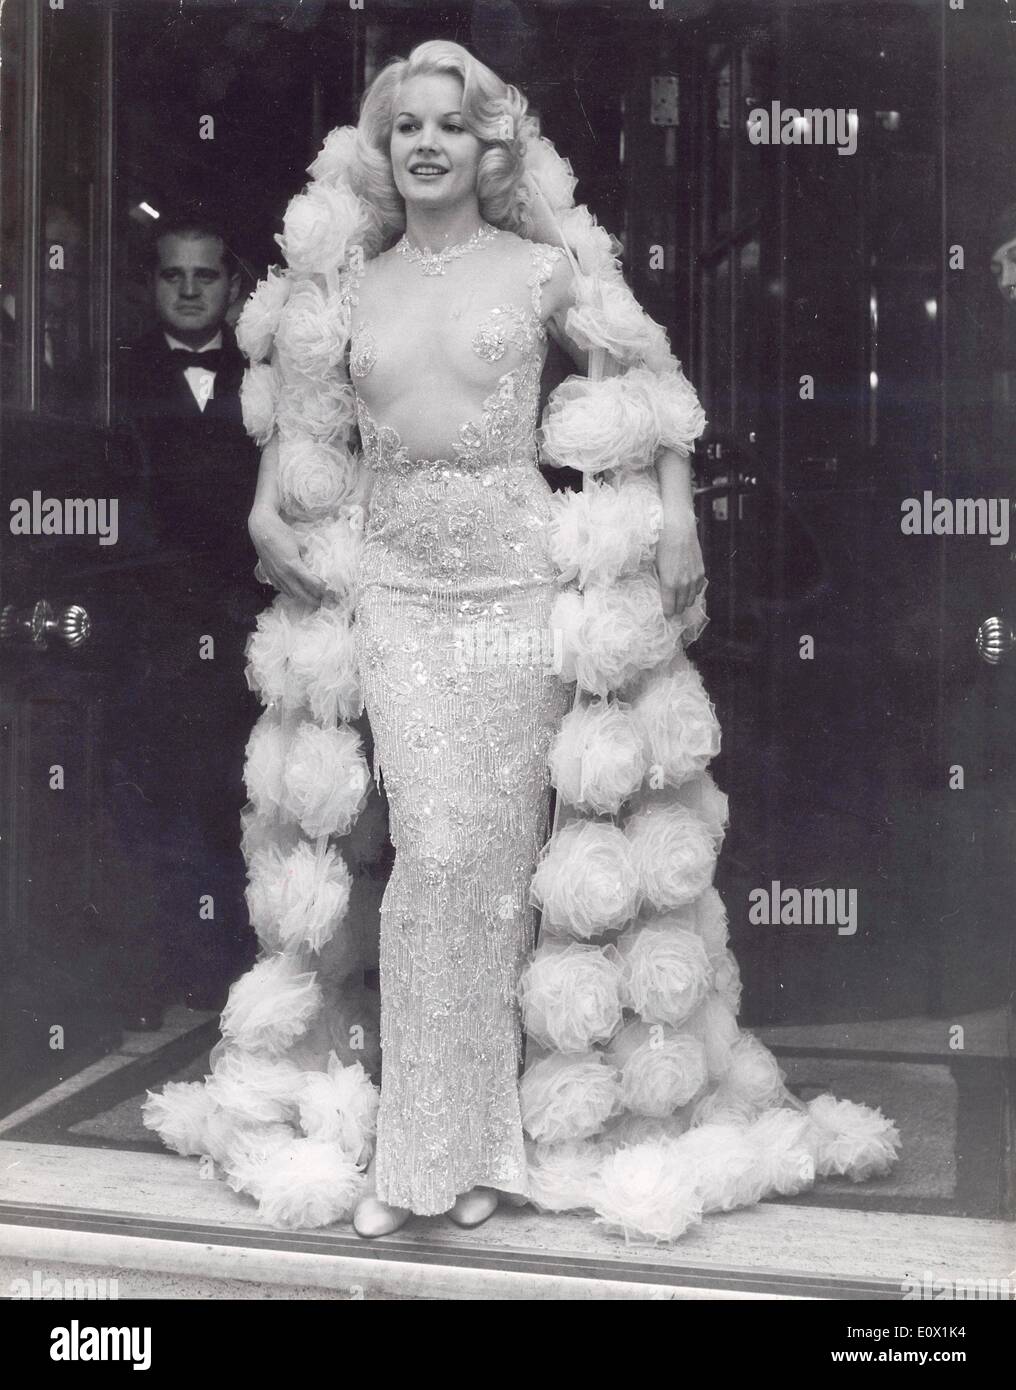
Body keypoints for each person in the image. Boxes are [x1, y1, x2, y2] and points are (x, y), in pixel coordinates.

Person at [144, 40, 899, 1247]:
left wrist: (673, 519)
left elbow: (649, 384)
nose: (429, 142)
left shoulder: (542, 270)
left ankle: (477, 1143)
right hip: (394, 594)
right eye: (407, 128)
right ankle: (431, 1149)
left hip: (511, 592)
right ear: (383, 151)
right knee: (432, 855)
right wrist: (255, 509)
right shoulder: (345, 291)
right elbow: (292, 435)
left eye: (451, 124)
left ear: (489, 145)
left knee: (487, 874)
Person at [113, 211, 261, 1028]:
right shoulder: (119, 380)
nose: (192, 289)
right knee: (155, 797)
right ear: (151, 285)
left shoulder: (265, 378)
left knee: (235, 794)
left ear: (233, 286)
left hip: (243, 622)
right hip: (154, 626)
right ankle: (159, 972)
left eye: (207, 275)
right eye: (175, 275)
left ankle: (232, 977)